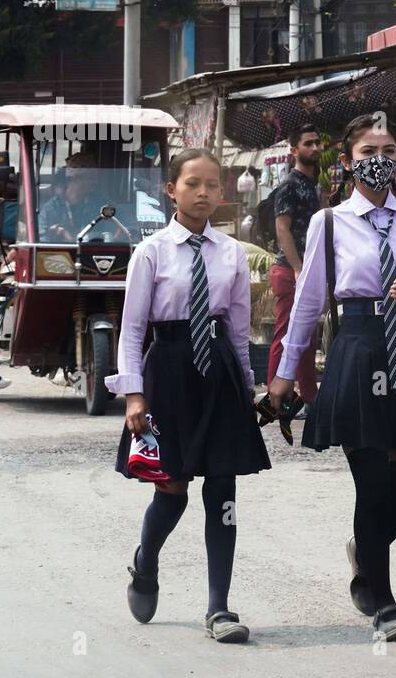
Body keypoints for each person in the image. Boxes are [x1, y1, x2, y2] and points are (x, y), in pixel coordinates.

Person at [268, 114, 396, 643]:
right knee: (372, 481)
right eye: (369, 149)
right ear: (348, 161)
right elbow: (307, 304)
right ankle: (386, 602)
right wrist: (285, 375)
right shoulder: (329, 222)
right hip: (357, 347)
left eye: (390, 149)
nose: (381, 158)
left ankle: (364, 550)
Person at [106, 149, 272, 645]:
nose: (204, 192)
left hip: (218, 375)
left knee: (224, 493)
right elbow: (133, 331)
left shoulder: (230, 254)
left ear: (223, 193)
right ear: (170, 189)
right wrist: (133, 395)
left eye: (212, 185)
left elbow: (239, 332)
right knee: (171, 489)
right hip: (169, 372)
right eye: (193, 183)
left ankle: (219, 607)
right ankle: (146, 560)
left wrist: (248, 388)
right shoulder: (151, 252)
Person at [268, 123, 328, 404]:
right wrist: (297, 267)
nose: (315, 148)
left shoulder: (314, 185)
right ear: (294, 150)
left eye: (317, 142)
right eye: (308, 143)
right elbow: (283, 230)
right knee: (287, 333)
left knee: (307, 335)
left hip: (308, 268)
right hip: (291, 269)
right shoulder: (289, 185)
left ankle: (309, 396)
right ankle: (275, 394)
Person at [39, 152, 105, 241]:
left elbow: (123, 221)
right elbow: (42, 239)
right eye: (91, 178)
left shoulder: (99, 203)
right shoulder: (51, 209)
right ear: (75, 179)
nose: (95, 182)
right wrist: (59, 233)